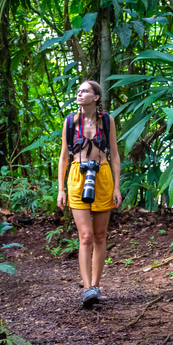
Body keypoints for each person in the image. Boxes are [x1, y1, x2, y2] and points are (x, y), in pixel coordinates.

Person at [56, 80, 122, 307]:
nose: (79, 93)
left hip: (102, 176)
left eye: (85, 91)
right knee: (85, 236)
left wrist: (116, 187)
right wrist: (60, 189)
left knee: (100, 235)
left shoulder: (107, 121)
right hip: (77, 176)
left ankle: (95, 286)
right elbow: (64, 158)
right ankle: (86, 289)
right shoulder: (70, 122)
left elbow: (114, 155)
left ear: (96, 97)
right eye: (78, 90)